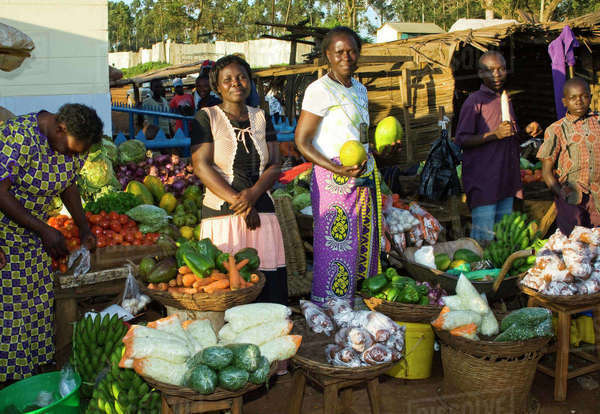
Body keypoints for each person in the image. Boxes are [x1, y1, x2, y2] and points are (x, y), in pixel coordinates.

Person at [295, 26, 399, 306]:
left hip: (362, 172)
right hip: (333, 177)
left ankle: (355, 305)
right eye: (339, 51)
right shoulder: (319, 90)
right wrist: (335, 169)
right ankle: (331, 310)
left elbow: (360, 136)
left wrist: (381, 150)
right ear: (327, 54)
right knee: (336, 246)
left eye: (352, 50)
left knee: (361, 243)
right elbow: (302, 141)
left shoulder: (360, 90)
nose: (346, 56)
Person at [0, 103, 102, 382]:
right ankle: (9, 381)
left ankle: (31, 373)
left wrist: (83, 227)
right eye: (69, 149)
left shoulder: (68, 147)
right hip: (5, 234)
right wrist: (44, 230)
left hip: (37, 234)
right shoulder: (20, 136)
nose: (70, 156)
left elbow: (68, 183)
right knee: (12, 308)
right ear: (60, 128)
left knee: (39, 302)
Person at [190, 55, 287, 305]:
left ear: (250, 82)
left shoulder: (261, 117)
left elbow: (275, 164)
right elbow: (201, 165)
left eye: (241, 77)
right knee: (226, 286)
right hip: (222, 212)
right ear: (217, 86)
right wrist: (239, 203)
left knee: (267, 287)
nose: (236, 83)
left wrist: (252, 196)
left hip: (261, 211)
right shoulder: (206, 117)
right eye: (228, 79)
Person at [455, 51, 542, 242]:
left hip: (506, 179)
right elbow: (462, 139)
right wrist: (493, 135)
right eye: (490, 70)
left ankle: (501, 272)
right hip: (484, 181)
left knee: (503, 236)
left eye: (501, 69)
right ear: (480, 73)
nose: (496, 74)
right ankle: (481, 272)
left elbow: (510, 137)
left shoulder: (505, 99)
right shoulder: (475, 101)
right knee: (483, 237)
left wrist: (526, 131)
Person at [537, 78, 600, 235]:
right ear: (565, 101)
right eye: (573, 98)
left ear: (591, 98)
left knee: (596, 243)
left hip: (597, 196)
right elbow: (546, 171)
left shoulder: (598, 122)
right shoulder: (556, 129)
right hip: (572, 197)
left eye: (584, 96)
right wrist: (561, 194)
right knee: (574, 242)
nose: (579, 101)